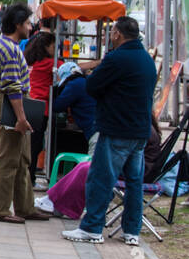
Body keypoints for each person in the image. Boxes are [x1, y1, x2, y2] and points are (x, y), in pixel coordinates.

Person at [63, 16, 158, 246]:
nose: (111, 35)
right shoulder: (146, 59)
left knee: (102, 179)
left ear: (118, 34)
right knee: (135, 183)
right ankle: (132, 231)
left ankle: (92, 228)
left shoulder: (116, 58)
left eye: (113, 31)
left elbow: (92, 87)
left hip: (116, 129)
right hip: (139, 132)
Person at [0, 3, 50, 224]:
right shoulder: (9, 48)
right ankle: (1, 208)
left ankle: (25, 206)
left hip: (17, 104)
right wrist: (21, 117)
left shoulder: (11, 46)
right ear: (17, 25)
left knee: (23, 158)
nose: (30, 26)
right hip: (12, 105)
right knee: (9, 160)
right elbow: (12, 86)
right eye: (26, 22)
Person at [23, 29, 57, 188]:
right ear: (46, 47)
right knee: (35, 146)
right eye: (52, 45)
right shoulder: (50, 63)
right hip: (41, 107)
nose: (54, 48)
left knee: (27, 145)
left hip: (27, 103)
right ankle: (29, 179)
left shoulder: (29, 60)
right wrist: (97, 62)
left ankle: (25, 177)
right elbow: (70, 68)